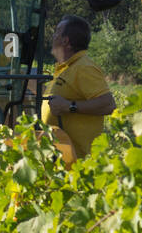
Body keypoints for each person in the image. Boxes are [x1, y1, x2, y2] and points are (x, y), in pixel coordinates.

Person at [40, 15, 115, 159]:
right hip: (62, 156)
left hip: (79, 160)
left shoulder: (84, 67)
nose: (53, 36)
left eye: (57, 32)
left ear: (65, 40)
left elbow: (108, 104)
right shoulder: (66, 67)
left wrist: (69, 106)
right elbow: (59, 99)